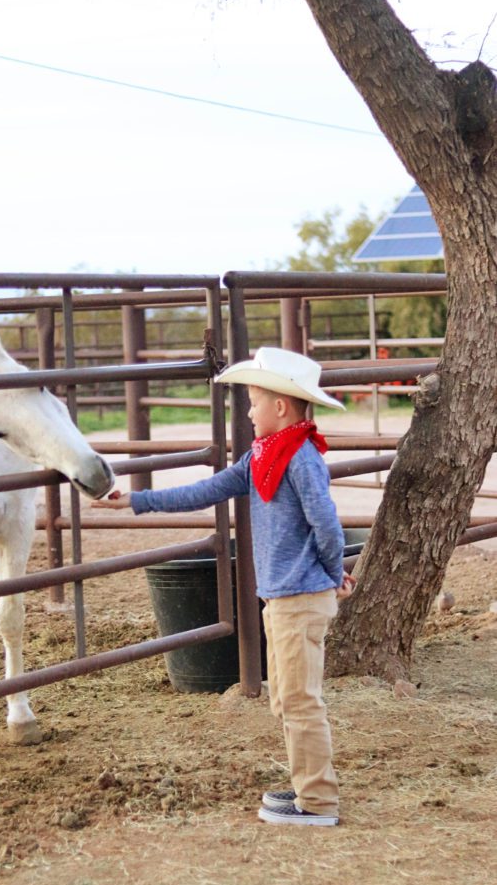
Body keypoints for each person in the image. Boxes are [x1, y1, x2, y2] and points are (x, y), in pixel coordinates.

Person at [93, 347, 355, 827]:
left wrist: (331, 570)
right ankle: (306, 787)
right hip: (282, 596)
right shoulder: (265, 457)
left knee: (299, 700)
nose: (250, 412)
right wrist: (135, 500)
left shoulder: (300, 458)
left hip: (299, 597)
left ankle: (318, 803)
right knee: (287, 698)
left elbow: (328, 526)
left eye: (254, 402)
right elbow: (204, 491)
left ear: (280, 406)